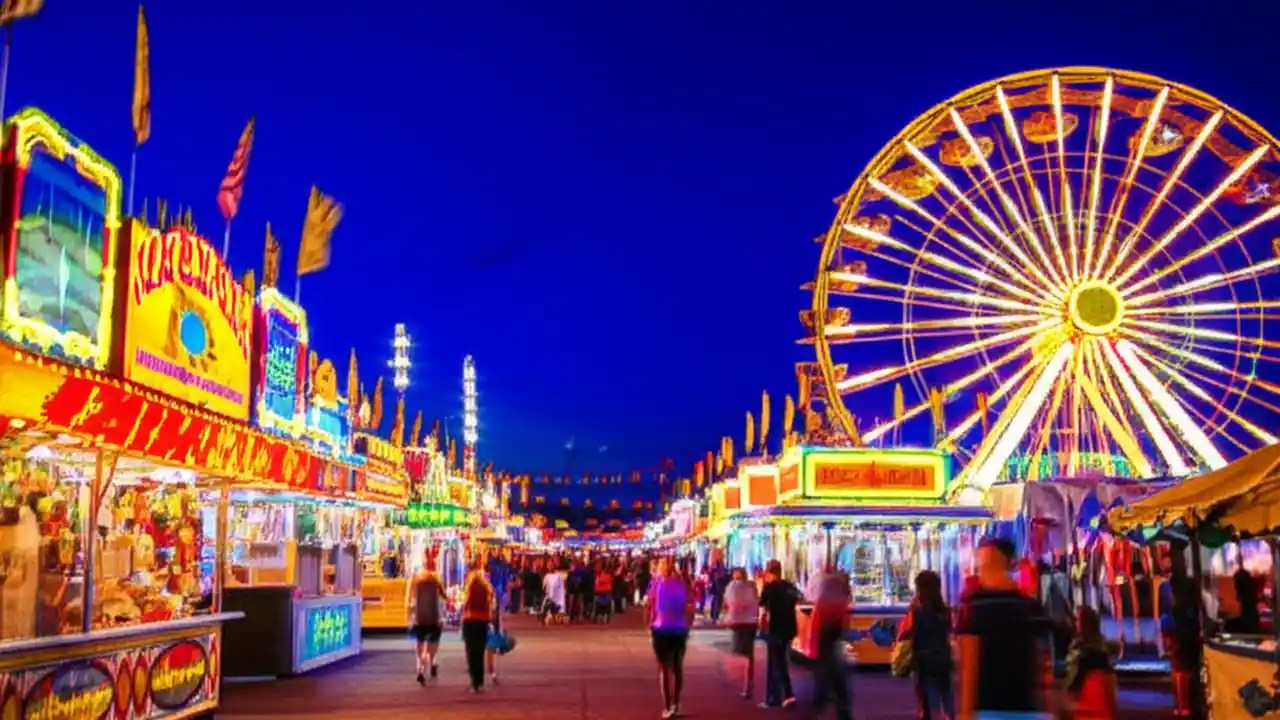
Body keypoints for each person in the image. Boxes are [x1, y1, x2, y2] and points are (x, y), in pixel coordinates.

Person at [956, 538, 1052, 718]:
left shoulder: (973, 607)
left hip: (988, 710)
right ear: (1011, 564)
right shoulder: (1030, 606)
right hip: (1028, 709)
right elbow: (1043, 666)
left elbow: (969, 670)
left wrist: (965, 714)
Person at [897, 570, 954, 720]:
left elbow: (904, 633)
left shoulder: (916, 611)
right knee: (946, 693)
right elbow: (949, 632)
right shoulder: (945, 611)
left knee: (930, 698)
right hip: (943, 659)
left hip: (924, 661)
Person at [647, 557, 694, 719]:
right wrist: (688, 623)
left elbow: (650, 605)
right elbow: (690, 605)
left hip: (661, 628)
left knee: (664, 668)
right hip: (679, 629)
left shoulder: (656, 583)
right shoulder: (682, 583)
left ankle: (667, 706)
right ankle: (676, 703)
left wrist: (649, 624)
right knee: (677, 667)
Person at [758, 559, 800, 709]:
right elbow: (799, 598)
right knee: (781, 661)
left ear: (769, 572)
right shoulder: (789, 586)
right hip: (789, 628)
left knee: (775, 663)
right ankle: (786, 694)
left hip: (775, 628)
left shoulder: (769, 588)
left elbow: (762, 606)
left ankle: (775, 697)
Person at [811, 571, 852, 720]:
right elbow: (846, 620)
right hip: (838, 639)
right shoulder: (842, 599)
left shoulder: (824, 600)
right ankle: (843, 710)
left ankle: (820, 704)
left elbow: (816, 622)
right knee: (840, 678)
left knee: (823, 674)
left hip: (825, 639)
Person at [1065, 606, 1116, 720]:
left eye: (1078, 620)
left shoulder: (1084, 653)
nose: (1076, 623)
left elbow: (1075, 684)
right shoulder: (1101, 649)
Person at [407, 554, 447, 684]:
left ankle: (420, 668)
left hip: (420, 617)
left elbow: (410, 597)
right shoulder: (436, 580)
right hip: (434, 617)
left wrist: (410, 613)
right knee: (433, 644)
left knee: (420, 643)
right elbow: (444, 595)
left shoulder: (416, 579)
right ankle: (432, 662)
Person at [722, 567, 760, 699]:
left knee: (738, 652)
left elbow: (726, 603)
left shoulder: (731, 587)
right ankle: (748, 684)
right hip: (750, 622)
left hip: (737, 621)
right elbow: (757, 601)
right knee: (749, 655)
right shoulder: (751, 586)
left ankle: (744, 683)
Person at [460, 561, 495, 692]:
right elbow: (491, 603)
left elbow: (467, 604)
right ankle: (480, 681)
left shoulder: (470, 588)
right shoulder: (487, 588)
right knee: (480, 652)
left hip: (470, 621)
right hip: (483, 621)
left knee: (471, 652)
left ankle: (474, 681)